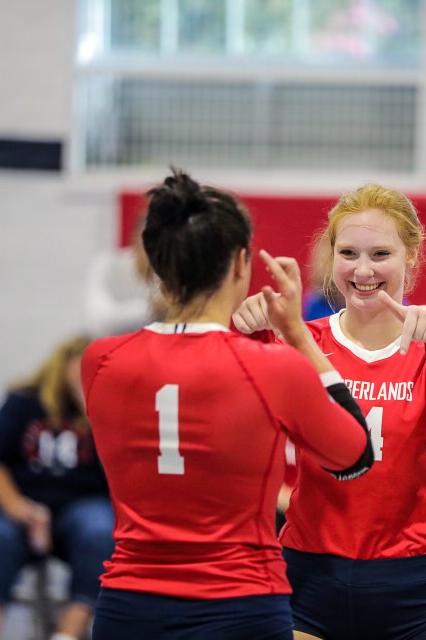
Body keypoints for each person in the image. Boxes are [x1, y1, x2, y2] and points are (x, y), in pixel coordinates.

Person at [83, 169, 373, 640]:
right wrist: (298, 335)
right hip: (237, 607)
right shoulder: (273, 368)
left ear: (156, 264)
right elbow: (354, 455)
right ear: (240, 264)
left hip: (126, 609)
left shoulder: (99, 360)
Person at [233, 183, 426, 640]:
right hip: (310, 581)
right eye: (348, 252)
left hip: (418, 585)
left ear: (411, 256)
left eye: (381, 254)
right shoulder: (297, 340)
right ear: (332, 258)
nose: (363, 270)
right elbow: (244, 434)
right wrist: (250, 338)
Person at [0, 335, 113, 640]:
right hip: (23, 500)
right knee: (1, 534)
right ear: (62, 365)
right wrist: (18, 508)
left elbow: (118, 472)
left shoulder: (109, 409)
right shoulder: (24, 401)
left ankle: (68, 633)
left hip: (83, 504)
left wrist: (95, 410)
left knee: (99, 530)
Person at [84, 213, 168, 337]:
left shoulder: (173, 276)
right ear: (135, 238)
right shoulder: (108, 265)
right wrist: (154, 309)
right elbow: (101, 322)